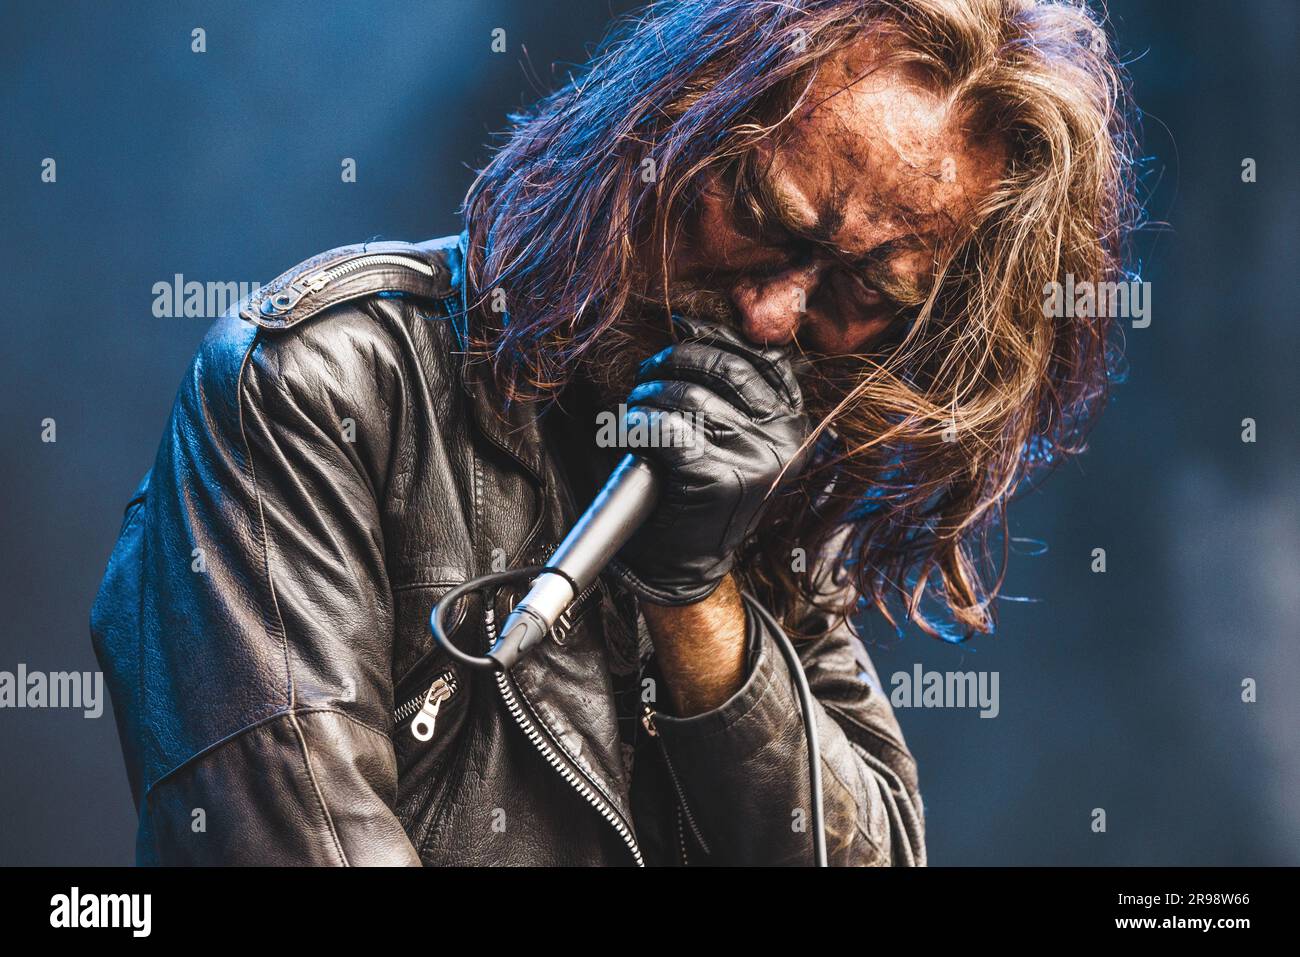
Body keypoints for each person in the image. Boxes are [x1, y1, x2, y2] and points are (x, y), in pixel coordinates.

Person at [91, 0, 1135, 866]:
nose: (776, 315)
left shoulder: (759, 469)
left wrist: (699, 601)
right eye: (761, 219)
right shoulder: (324, 384)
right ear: (663, 127)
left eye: (866, 287)